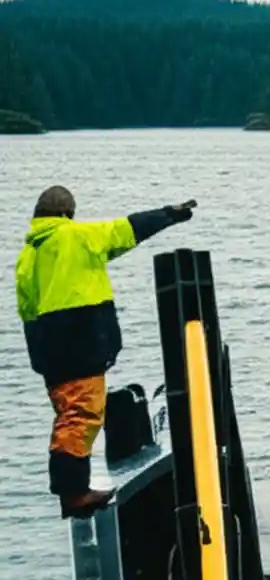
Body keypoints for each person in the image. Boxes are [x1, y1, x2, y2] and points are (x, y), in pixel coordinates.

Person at [14, 186, 196, 518]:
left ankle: (73, 489)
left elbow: (26, 311)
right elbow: (127, 230)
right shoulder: (78, 236)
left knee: (68, 414)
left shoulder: (29, 255)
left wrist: (39, 358)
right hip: (80, 346)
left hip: (51, 354)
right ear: (68, 214)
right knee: (81, 416)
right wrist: (169, 214)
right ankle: (74, 494)